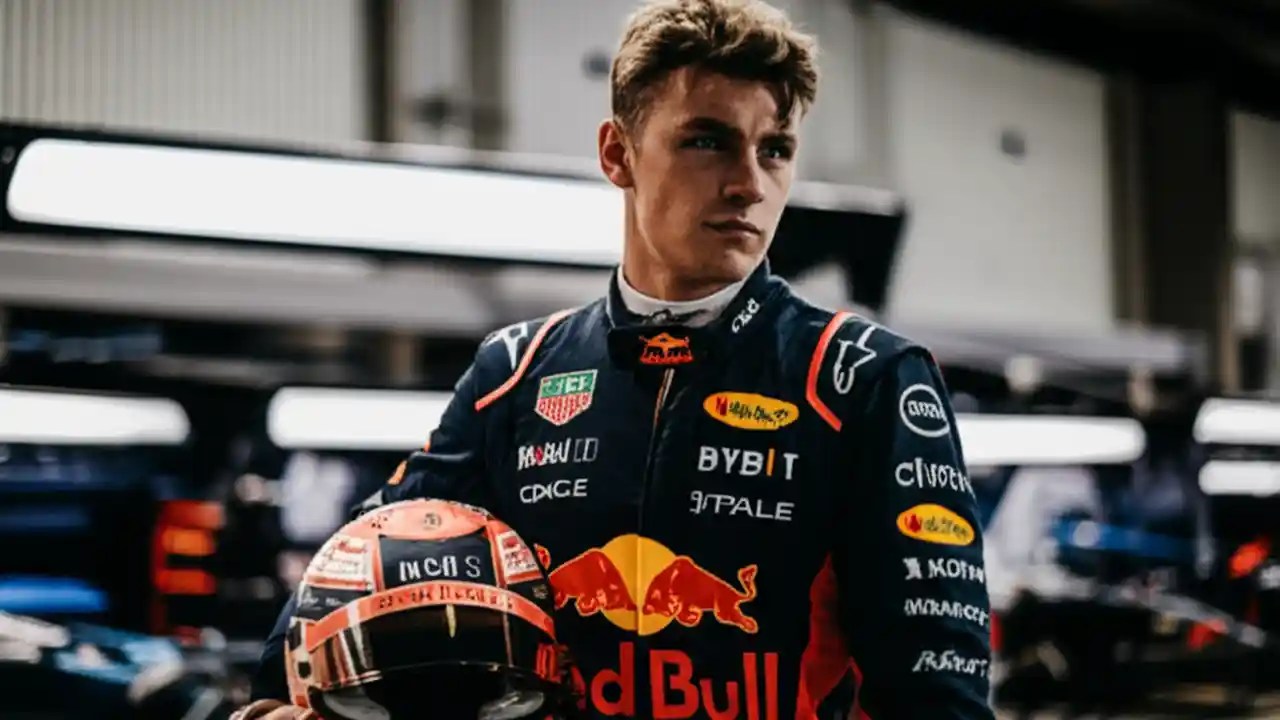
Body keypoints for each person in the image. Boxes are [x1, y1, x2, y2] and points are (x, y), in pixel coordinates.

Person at [237, 0, 994, 717]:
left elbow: (939, 692)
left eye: (775, 150)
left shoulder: (864, 378)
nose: (749, 184)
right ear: (617, 153)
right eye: (707, 141)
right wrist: (278, 694)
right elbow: (373, 549)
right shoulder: (515, 373)